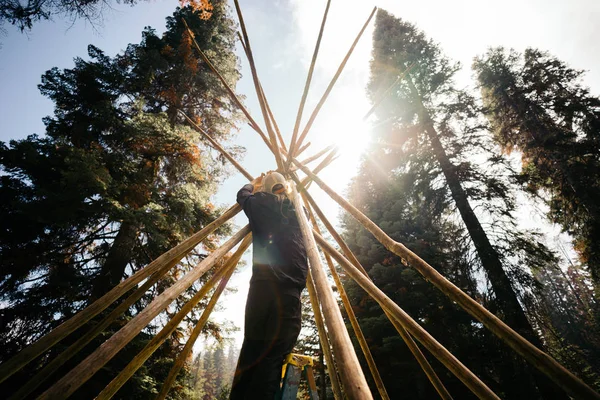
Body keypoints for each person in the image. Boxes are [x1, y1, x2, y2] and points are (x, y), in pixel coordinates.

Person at [230, 171, 308, 400]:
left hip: (262, 288)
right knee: (273, 357)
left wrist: (253, 185)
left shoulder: (259, 203)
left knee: (252, 349)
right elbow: (293, 198)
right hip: (289, 291)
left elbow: (242, 195)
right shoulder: (298, 210)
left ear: (264, 189)